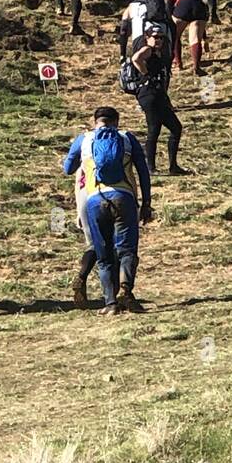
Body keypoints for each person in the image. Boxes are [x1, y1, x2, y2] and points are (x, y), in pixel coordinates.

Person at [62, 106, 153, 314]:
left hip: (95, 200)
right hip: (124, 197)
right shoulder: (126, 137)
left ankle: (110, 304)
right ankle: (125, 290)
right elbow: (143, 172)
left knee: (103, 254)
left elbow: (67, 169)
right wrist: (146, 203)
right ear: (116, 121)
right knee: (127, 249)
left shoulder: (83, 139)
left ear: (95, 121)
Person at [125, 23, 186, 176]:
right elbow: (136, 58)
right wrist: (146, 75)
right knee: (154, 129)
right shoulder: (147, 50)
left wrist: (166, 98)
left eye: (161, 38)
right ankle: (150, 167)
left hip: (158, 95)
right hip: (148, 94)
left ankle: (172, 166)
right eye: (155, 37)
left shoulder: (160, 53)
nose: (158, 40)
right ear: (147, 37)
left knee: (174, 128)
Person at [166, 0, 209, 76]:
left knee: (175, 36)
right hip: (200, 8)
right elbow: (201, 28)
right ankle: (196, 66)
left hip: (183, 6)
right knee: (195, 40)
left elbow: (168, 8)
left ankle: (178, 63)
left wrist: (169, 22)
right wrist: (204, 38)